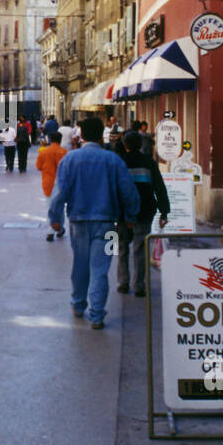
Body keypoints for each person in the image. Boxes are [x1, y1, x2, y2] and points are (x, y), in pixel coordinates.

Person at [48, 114, 140, 328]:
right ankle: (97, 315)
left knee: (80, 265)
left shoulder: (70, 159)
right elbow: (128, 191)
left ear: (81, 136)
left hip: (78, 222)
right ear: (101, 136)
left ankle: (78, 304)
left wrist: (55, 218)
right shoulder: (113, 160)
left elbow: (60, 192)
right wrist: (130, 216)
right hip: (108, 224)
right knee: (101, 269)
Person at [116, 130, 170, 297]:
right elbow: (159, 187)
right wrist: (164, 211)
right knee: (140, 248)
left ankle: (123, 282)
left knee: (122, 247)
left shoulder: (119, 162)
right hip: (145, 211)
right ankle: (139, 285)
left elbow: (113, 189)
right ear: (140, 145)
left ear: (125, 145)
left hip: (122, 213)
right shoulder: (149, 162)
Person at [36, 132, 67, 241]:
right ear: (60, 139)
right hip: (62, 183)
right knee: (60, 207)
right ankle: (59, 229)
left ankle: (51, 230)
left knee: (49, 207)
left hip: (48, 182)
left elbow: (39, 167)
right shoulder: (64, 152)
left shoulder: (44, 152)